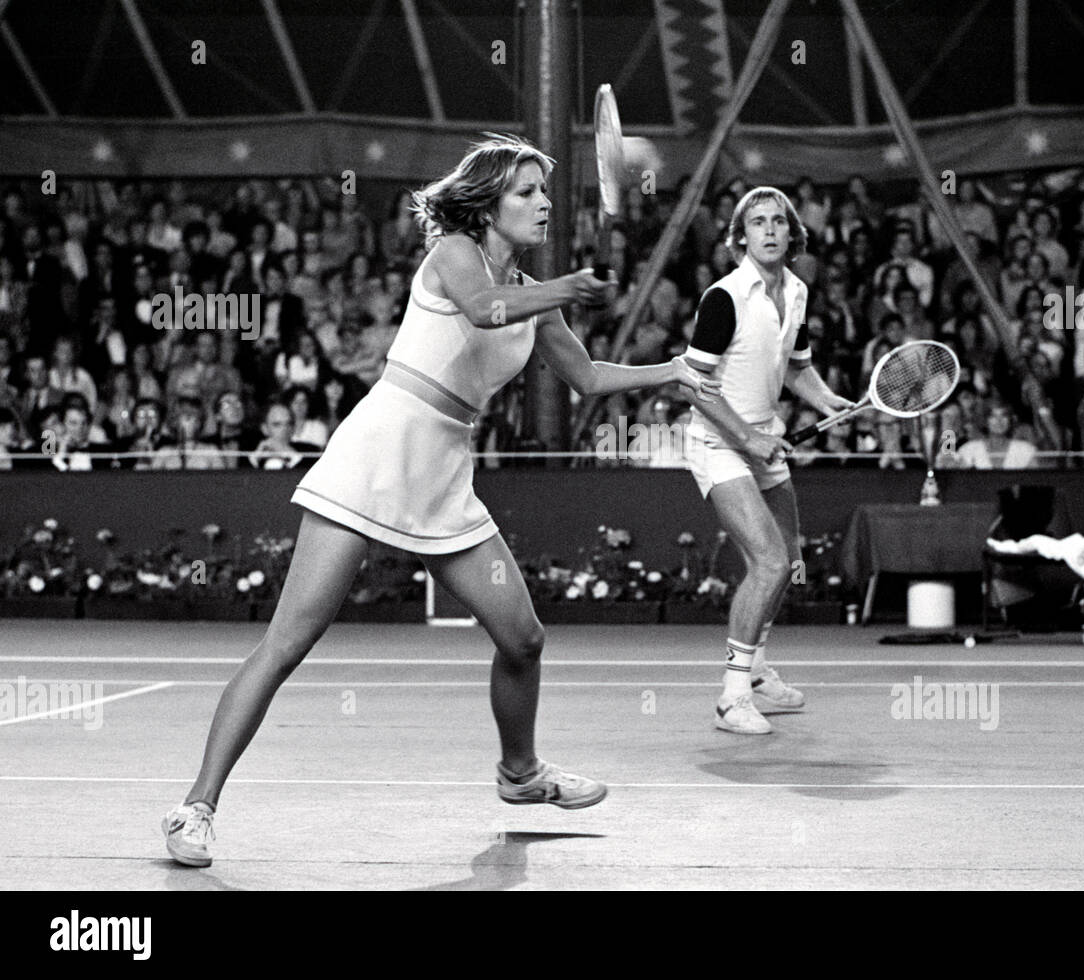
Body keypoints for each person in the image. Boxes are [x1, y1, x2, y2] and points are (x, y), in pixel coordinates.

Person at [162, 134, 720, 867]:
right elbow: (486, 310)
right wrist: (564, 287)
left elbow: (585, 378)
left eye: (545, 192)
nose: (544, 203)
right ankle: (193, 810)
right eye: (528, 192)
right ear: (489, 202)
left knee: (522, 638)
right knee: (289, 642)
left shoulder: (534, 290)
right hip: (378, 454)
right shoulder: (457, 254)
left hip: (447, 473)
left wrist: (670, 369)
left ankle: (520, 775)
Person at [679, 185, 855, 736]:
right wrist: (747, 440)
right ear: (741, 236)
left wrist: (825, 398)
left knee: (790, 558)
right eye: (758, 222)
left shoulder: (798, 292)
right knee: (770, 562)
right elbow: (694, 384)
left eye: (779, 221)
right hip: (718, 441)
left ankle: (754, 669)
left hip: (764, 440)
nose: (771, 230)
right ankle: (731, 698)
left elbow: (797, 366)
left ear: (792, 233)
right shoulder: (724, 298)